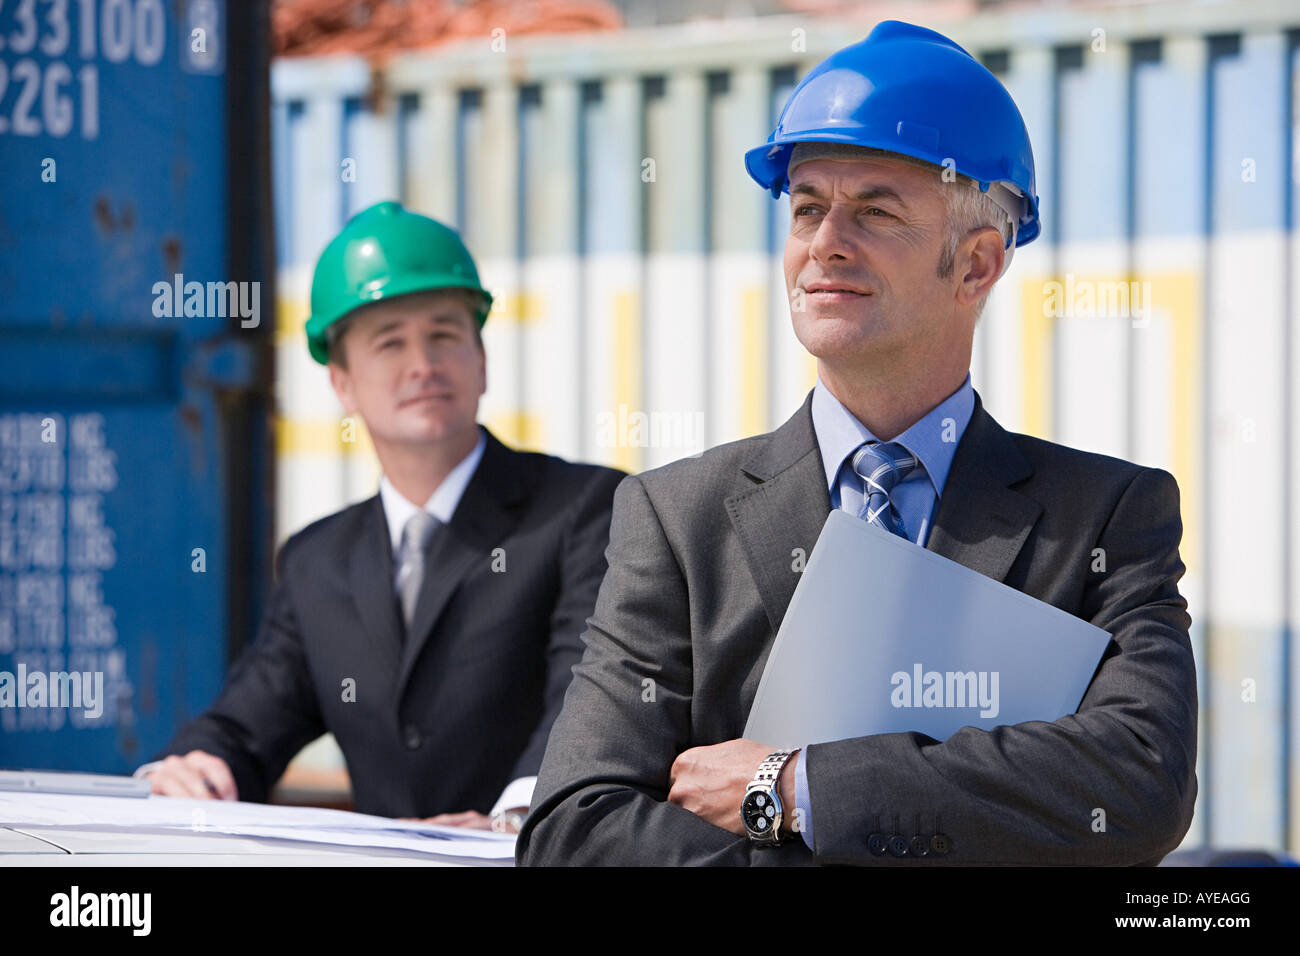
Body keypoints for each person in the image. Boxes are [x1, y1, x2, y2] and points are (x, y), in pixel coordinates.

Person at [517, 21, 1197, 864]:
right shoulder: (675, 517)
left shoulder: (1103, 519)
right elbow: (575, 830)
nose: (824, 243)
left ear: (977, 265)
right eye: (807, 208)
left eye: (874, 210)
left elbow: (1137, 783)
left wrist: (791, 789)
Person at [141, 201, 626, 831]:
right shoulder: (319, 560)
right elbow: (251, 719)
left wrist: (517, 816)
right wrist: (197, 766)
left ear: (481, 360)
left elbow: (590, 690)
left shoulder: (587, 511)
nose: (422, 364)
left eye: (444, 335)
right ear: (342, 383)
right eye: (389, 342)